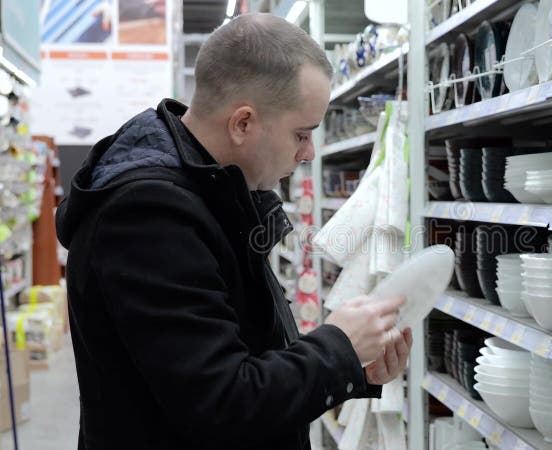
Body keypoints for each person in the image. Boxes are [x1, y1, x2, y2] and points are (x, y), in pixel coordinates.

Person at [55, 13, 411, 450]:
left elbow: (248, 353)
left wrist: (351, 368)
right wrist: (336, 348)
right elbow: (222, 403)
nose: (309, 152)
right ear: (243, 123)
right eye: (301, 133)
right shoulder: (148, 217)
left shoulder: (216, 192)